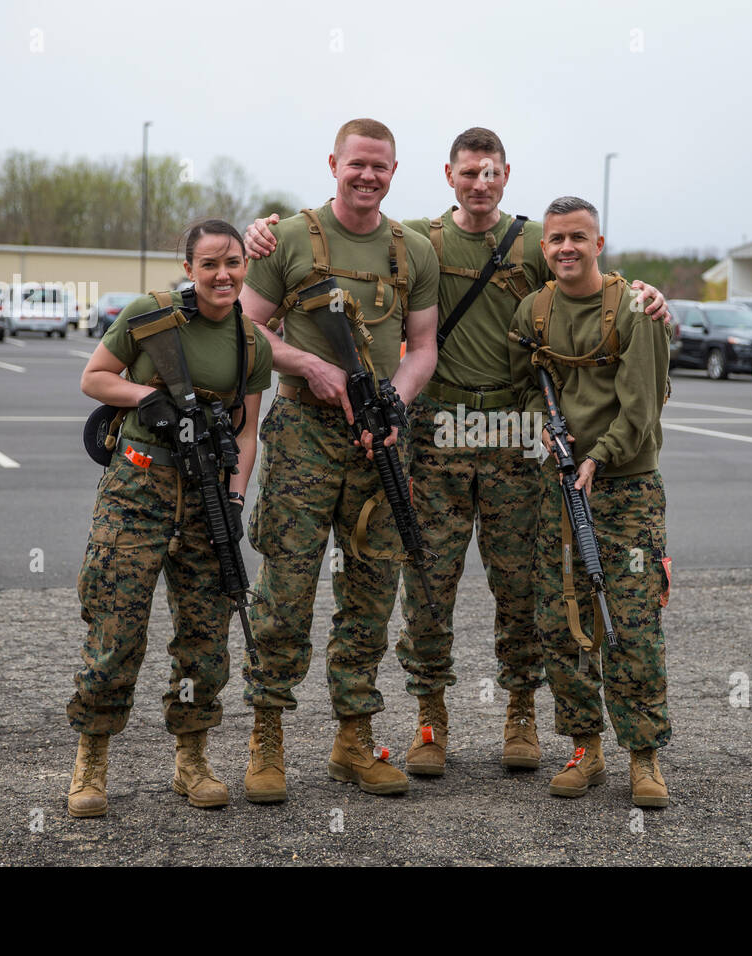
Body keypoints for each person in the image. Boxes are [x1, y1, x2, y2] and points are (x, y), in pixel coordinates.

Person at [243, 128, 667, 780]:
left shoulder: (534, 239)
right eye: (468, 172)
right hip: (437, 430)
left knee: (522, 584)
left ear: (505, 174)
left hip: (514, 433)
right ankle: (429, 717)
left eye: (490, 172)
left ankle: (520, 710)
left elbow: (591, 272)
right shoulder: (420, 240)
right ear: (448, 175)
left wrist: (651, 299)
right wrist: (257, 236)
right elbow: (312, 258)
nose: (479, 182)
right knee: (426, 582)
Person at [236, 118, 440, 799]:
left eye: (380, 166)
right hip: (304, 433)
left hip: (379, 439)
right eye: (357, 163)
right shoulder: (287, 238)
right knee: (286, 587)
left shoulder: (411, 249)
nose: (368, 176)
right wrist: (311, 368)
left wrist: (397, 402)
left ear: (394, 171)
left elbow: (425, 345)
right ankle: (268, 738)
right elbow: (245, 325)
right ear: (334, 163)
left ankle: (353, 740)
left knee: (373, 588)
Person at [66, 219, 274, 817]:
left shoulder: (252, 343)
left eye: (233, 262)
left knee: (205, 639)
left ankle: (192, 759)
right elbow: (93, 378)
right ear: (189, 269)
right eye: (209, 264)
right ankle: (91, 761)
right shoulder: (148, 316)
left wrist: (235, 502)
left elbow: (246, 431)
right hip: (137, 490)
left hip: (207, 495)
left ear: (245, 266)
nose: (223, 274)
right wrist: (142, 397)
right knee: (117, 628)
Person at [509, 196, 672, 808]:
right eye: (556, 240)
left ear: (598, 243)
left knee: (632, 621)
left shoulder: (634, 307)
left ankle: (644, 755)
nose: (567, 248)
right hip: (559, 483)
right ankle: (586, 748)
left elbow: (642, 406)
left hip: (625, 485)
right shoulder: (534, 310)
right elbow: (523, 385)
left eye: (579, 236)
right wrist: (545, 431)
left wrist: (596, 457)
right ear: (544, 248)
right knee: (563, 619)